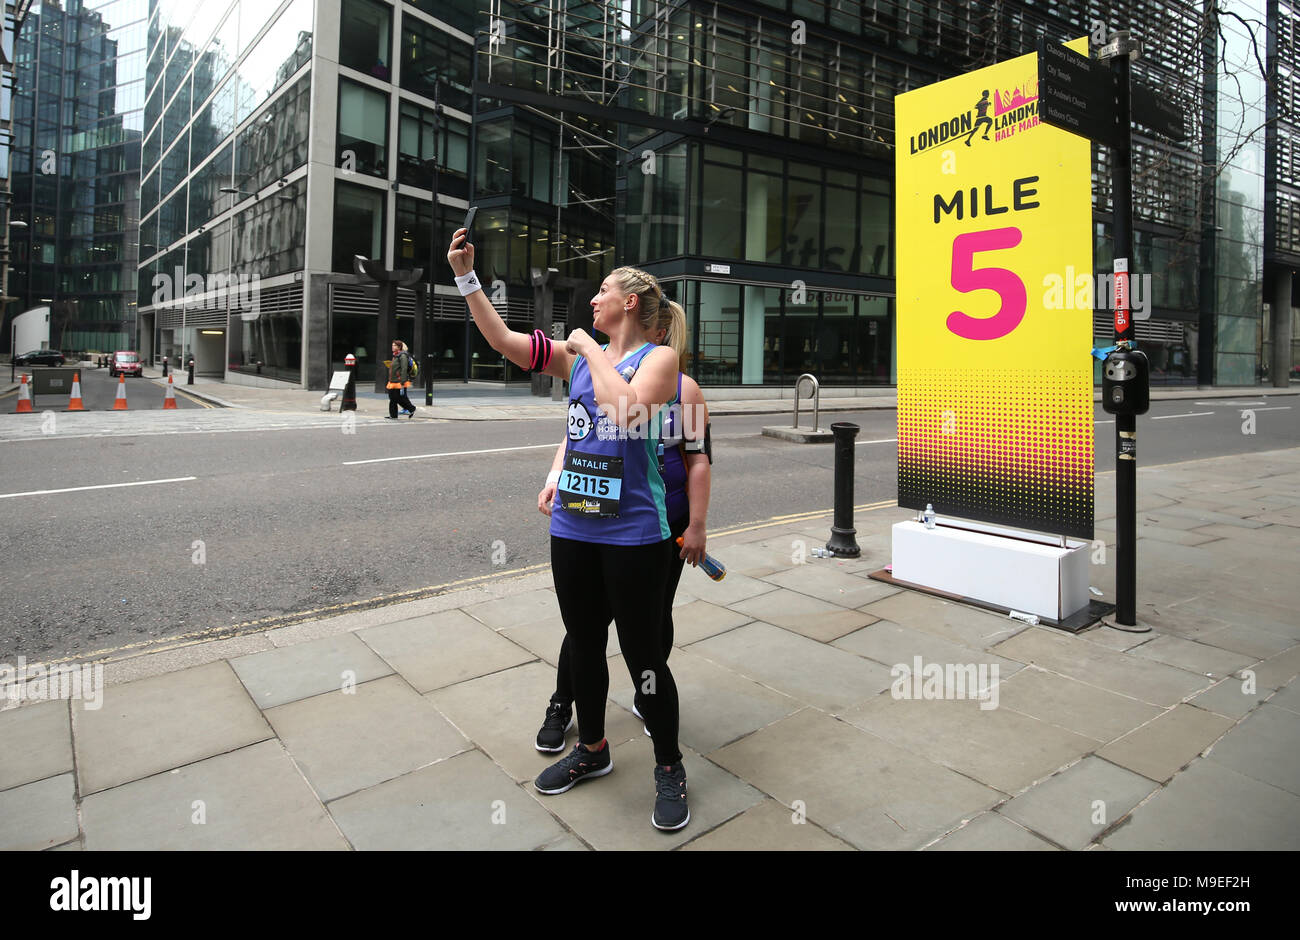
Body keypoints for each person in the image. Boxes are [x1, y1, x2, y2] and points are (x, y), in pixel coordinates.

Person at [447, 226, 692, 831]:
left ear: (629, 302)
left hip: (636, 533)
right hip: (574, 528)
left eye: (602, 291)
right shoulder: (578, 356)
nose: (592, 301)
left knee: (644, 657)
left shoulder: (658, 360)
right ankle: (593, 749)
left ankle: (668, 764)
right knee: (583, 643)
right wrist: (465, 278)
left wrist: (586, 347)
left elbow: (628, 411)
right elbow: (505, 341)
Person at [534, 337, 712, 754]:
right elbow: (576, 431)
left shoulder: (684, 390)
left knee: (648, 626)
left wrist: (698, 525)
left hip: (658, 521)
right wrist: (554, 477)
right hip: (591, 516)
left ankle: (648, 700)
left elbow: (697, 458)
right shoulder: (597, 370)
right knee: (585, 629)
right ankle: (564, 702)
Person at [386, 339, 416, 419]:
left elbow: (404, 368)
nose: (392, 347)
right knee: (392, 399)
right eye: (392, 345)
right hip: (392, 381)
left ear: (399, 347)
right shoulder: (395, 355)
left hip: (399, 381)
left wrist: (402, 381)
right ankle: (393, 415)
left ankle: (411, 408)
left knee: (398, 398)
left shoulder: (402, 355)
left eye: (394, 345)